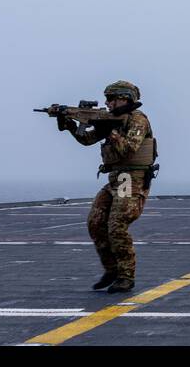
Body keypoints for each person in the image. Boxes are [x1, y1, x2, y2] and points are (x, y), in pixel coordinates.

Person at [54, 80, 156, 293]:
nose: (107, 103)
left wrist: (110, 130)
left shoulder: (137, 120)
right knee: (95, 222)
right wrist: (71, 124)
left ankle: (126, 276)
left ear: (124, 98)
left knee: (117, 225)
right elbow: (87, 139)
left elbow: (128, 149)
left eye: (111, 99)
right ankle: (111, 270)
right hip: (116, 179)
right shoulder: (113, 120)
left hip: (132, 179)